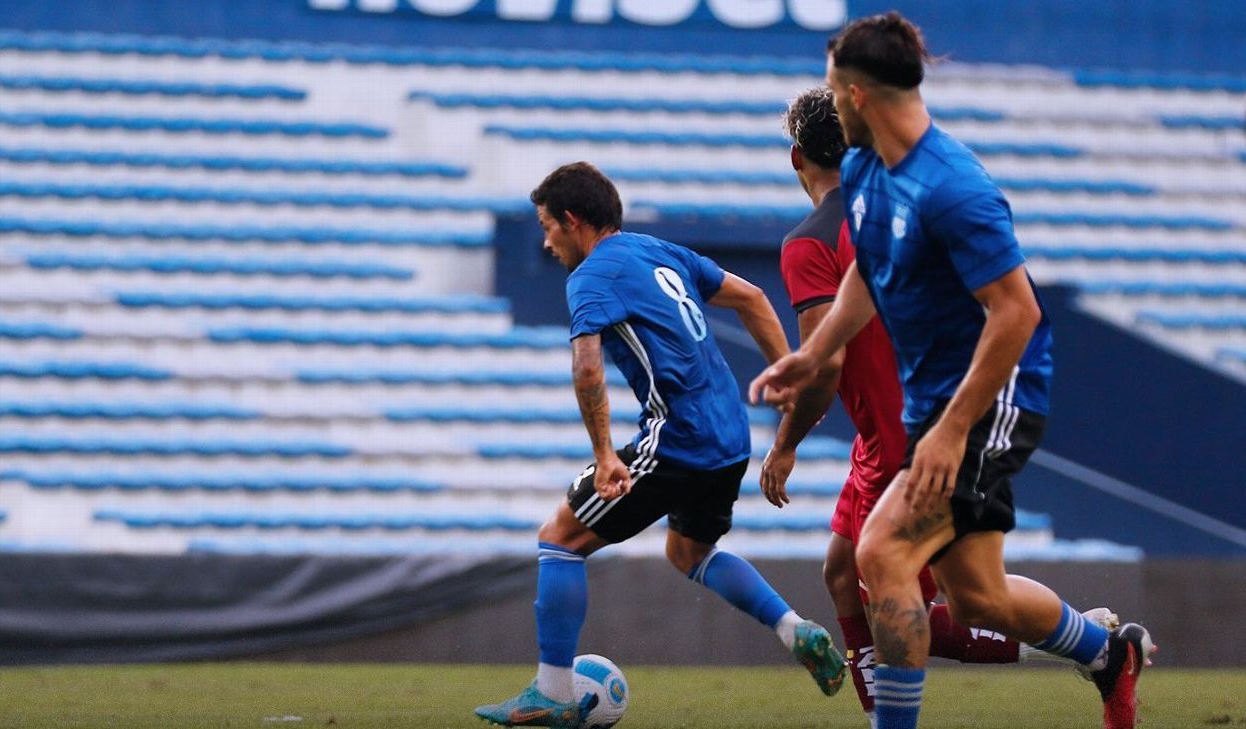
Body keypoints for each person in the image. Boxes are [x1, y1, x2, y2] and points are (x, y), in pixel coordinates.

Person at [749, 14, 1153, 729]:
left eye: (835, 87)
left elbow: (1017, 313)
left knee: (880, 555)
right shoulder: (871, 169)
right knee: (976, 598)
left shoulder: (954, 185)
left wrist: (952, 428)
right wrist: (815, 353)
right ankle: (1107, 653)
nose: (831, 100)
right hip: (936, 398)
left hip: (990, 394)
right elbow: (869, 277)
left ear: (858, 93)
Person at [474, 161, 847, 728]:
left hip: (679, 436)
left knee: (560, 538)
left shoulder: (592, 274)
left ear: (574, 221)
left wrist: (604, 457)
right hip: (729, 437)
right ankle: (793, 627)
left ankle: (552, 692)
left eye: (548, 226)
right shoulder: (660, 251)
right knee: (688, 553)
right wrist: (788, 377)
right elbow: (751, 298)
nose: (547, 241)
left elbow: (586, 367)